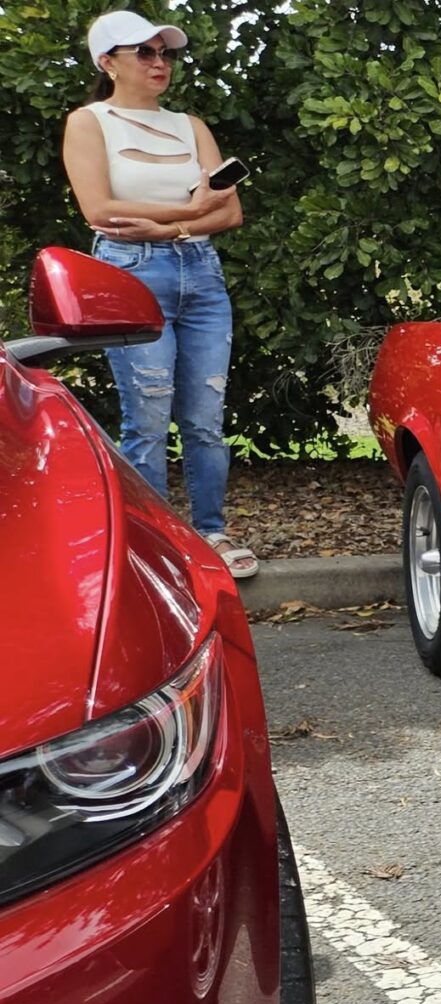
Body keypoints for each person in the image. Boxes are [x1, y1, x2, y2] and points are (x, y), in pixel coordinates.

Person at [61, 9, 254, 578]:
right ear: (107, 62)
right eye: (143, 52)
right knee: (146, 416)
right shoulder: (89, 122)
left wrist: (173, 227)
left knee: (205, 418)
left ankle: (211, 533)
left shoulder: (190, 125)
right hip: (131, 272)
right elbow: (99, 209)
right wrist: (190, 211)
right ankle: (155, 545)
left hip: (201, 271)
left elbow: (230, 212)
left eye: (164, 52)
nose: (158, 62)